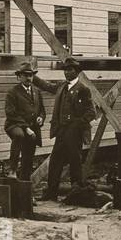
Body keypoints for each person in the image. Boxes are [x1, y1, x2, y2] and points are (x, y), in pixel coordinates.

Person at [44, 57, 97, 202]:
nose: (67, 73)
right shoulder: (61, 87)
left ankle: (76, 193)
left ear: (77, 72)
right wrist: (32, 78)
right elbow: (47, 86)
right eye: (65, 70)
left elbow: (91, 112)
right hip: (61, 131)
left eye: (70, 70)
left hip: (74, 132)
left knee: (75, 161)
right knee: (55, 161)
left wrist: (77, 124)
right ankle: (51, 193)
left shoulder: (83, 89)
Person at [3, 62, 45, 181]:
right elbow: (10, 113)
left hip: (32, 128)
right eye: (25, 75)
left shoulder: (37, 92)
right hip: (14, 124)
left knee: (29, 155)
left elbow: (42, 110)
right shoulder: (13, 92)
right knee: (19, 136)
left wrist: (41, 118)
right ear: (19, 76)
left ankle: (24, 182)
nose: (28, 78)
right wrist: (26, 127)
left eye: (30, 75)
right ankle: (12, 169)